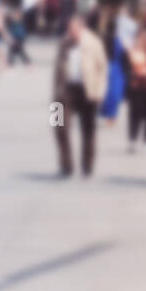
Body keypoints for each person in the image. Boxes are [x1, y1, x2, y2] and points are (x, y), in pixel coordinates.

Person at [52, 15, 107, 178]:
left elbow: (102, 69)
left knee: (88, 129)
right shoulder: (64, 43)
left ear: (82, 29)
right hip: (64, 91)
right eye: (69, 30)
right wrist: (54, 93)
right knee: (58, 126)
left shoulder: (93, 42)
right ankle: (65, 165)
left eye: (73, 30)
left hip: (87, 89)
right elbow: (57, 68)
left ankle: (87, 165)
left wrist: (100, 92)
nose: (71, 33)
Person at [125, 25, 146, 152]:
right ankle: (132, 139)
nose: (144, 39)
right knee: (135, 113)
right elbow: (126, 68)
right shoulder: (132, 51)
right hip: (136, 86)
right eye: (141, 37)